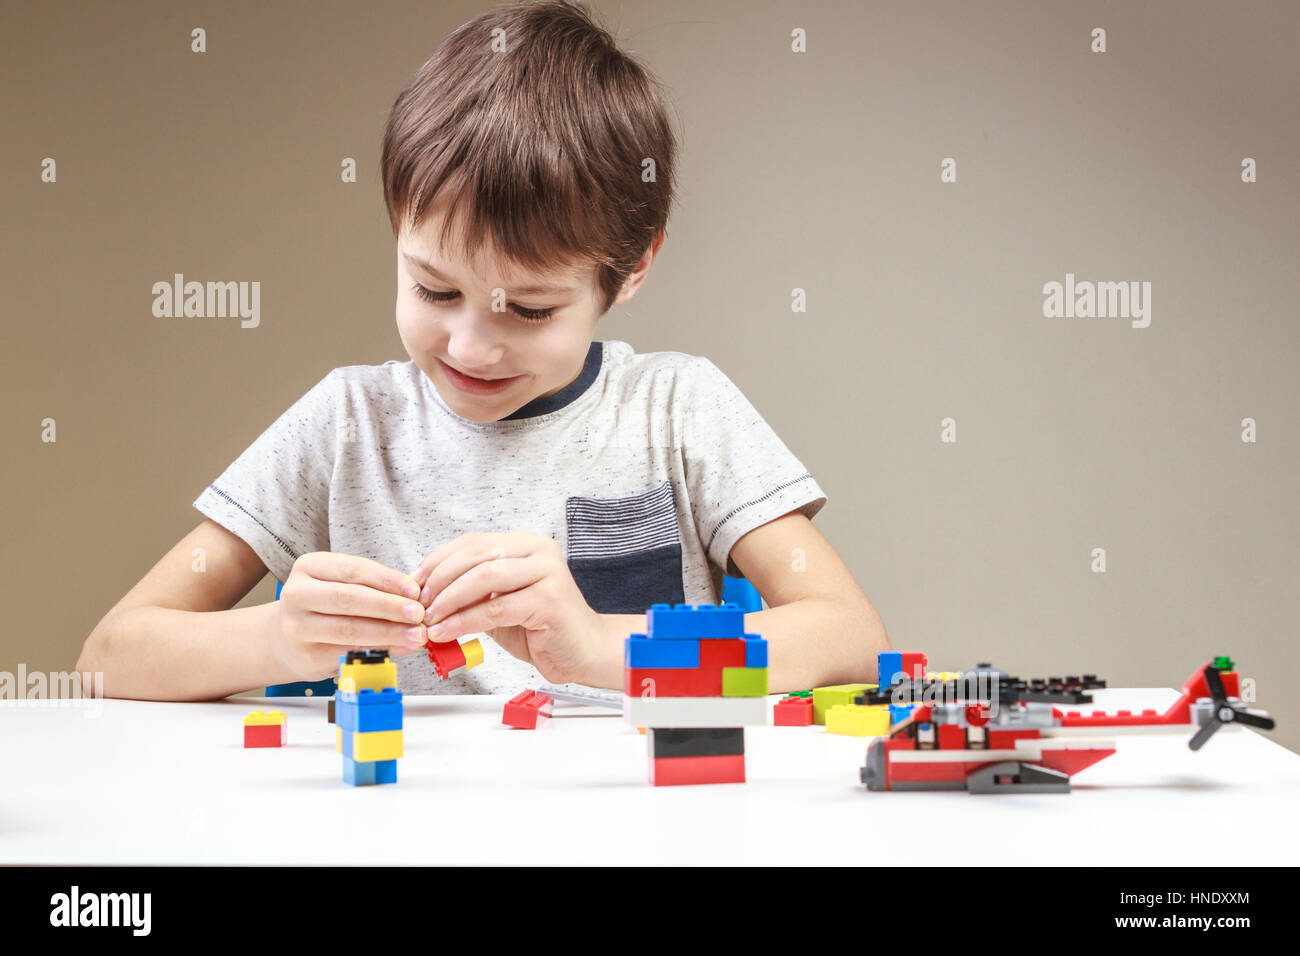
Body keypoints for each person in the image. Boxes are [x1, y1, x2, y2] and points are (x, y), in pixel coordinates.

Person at [78, 0, 889, 700]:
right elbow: (108, 659)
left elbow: (849, 637)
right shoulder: (344, 425)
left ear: (634, 267)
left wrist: (603, 648)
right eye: (434, 291)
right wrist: (273, 640)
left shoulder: (682, 412)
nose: (471, 345)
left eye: (530, 309)